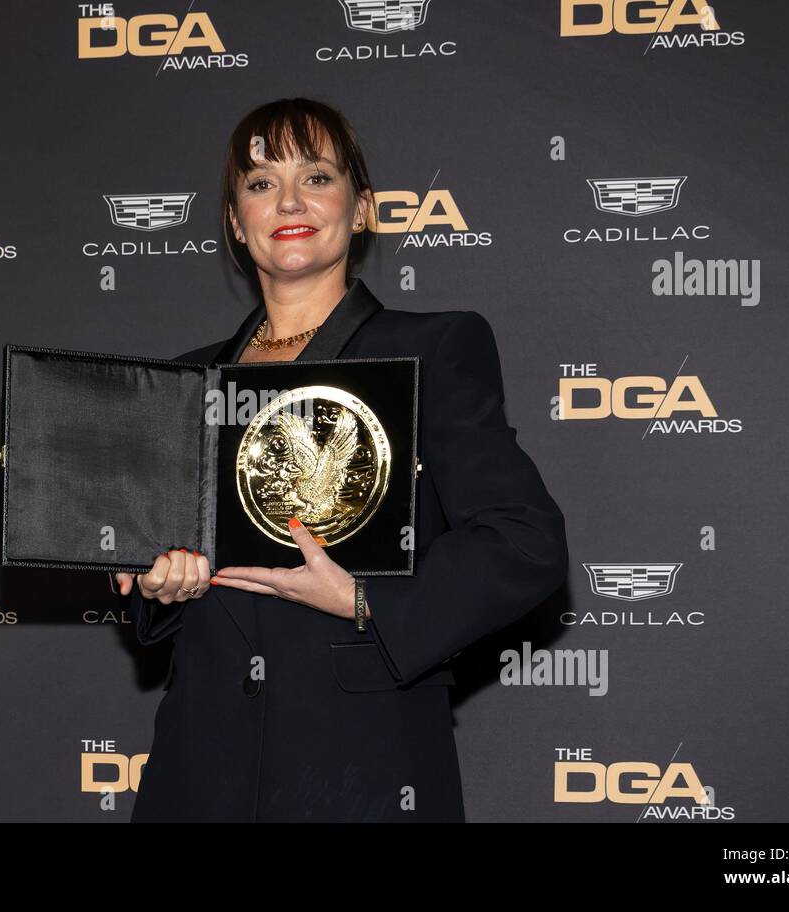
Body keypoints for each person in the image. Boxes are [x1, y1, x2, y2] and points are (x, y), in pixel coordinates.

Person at [114, 97, 568, 822]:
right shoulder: (183, 383)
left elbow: (525, 542)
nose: (288, 200)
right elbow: (164, 582)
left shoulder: (434, 349)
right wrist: (161, 584)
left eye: (316, 177)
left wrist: (365, 601)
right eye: (260, 184)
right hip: (199, 773)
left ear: (360, 209)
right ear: (236, 221)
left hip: (364, 771)